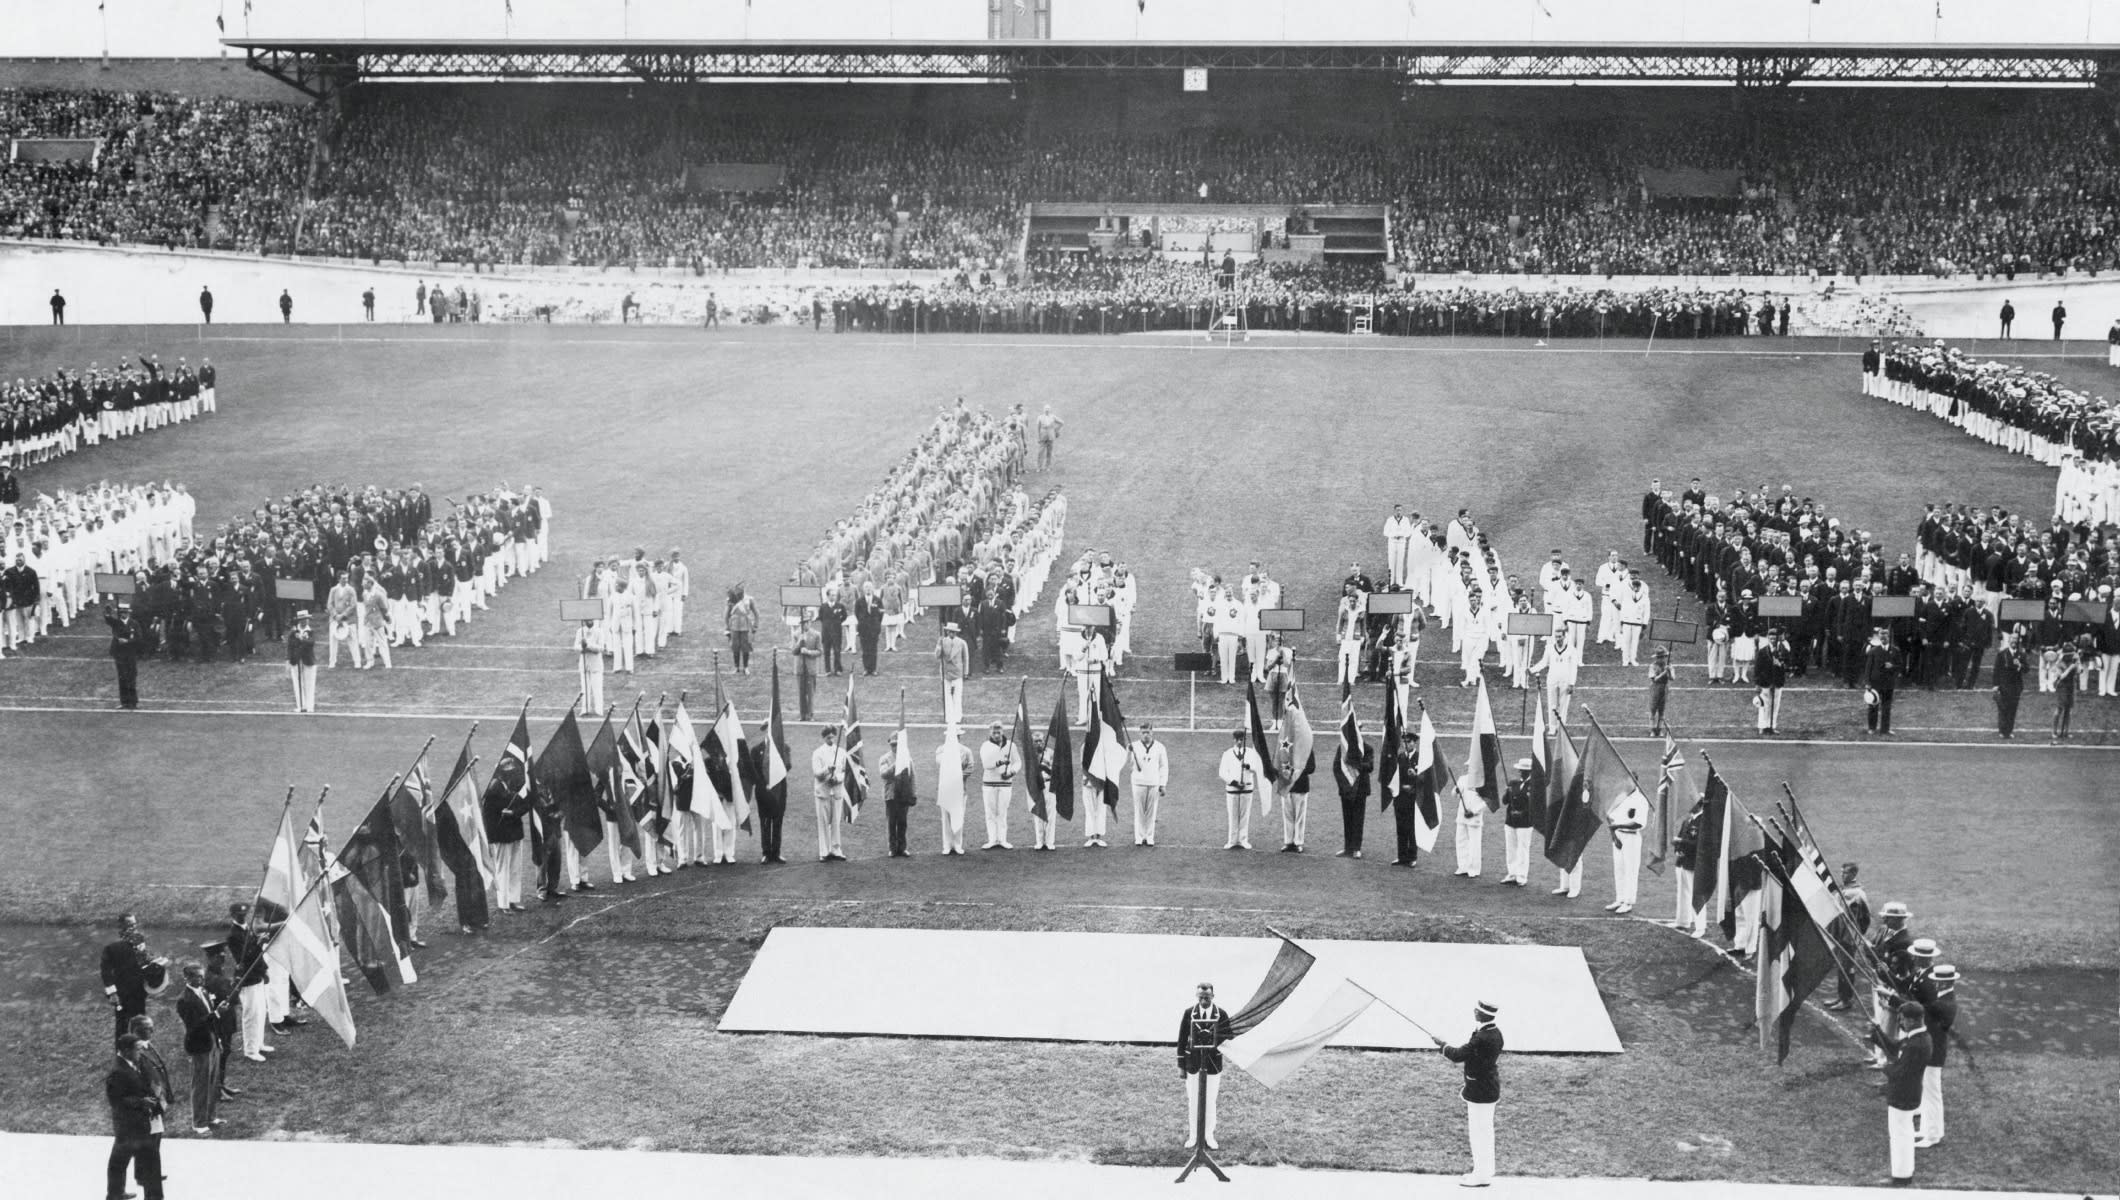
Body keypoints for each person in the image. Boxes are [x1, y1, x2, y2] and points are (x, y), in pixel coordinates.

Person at [1439, 1000, 1505, 1188]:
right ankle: (1484, 1171)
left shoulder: (1482, 1037)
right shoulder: (1494, 1033)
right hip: (1489, 1088)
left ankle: (1481, 1177)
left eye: (1477, 1010)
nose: (1474, 1011)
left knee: (1479, 1134)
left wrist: (1442, 1045)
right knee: (1486, 1132)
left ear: (1483, 1014)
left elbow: (1458, 1055)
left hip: (1480, 1091)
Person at [1872, 999, 1932, 1186]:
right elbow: (1896, 1048)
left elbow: (1901, 1072)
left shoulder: (1916, 1044)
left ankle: (1902, 1176)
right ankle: (1903, 1173)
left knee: (1900, 1136)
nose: (1900, 1023)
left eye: (1902, 1019)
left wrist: (1885, 1067)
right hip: (1908, 1093)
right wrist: (1878, 1033)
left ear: (1912, 1020)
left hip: (1903, 1094)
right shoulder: (1917, 1037)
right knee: (1902, 1134)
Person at [106, 1034, 166, 1200]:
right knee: (123, 1161)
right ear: (126, 1051)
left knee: (135, 1160)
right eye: (137, 1049)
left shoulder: (132, 1064)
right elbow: (116, 1100)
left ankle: (117, 1193)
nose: (141, 1051)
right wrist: (141, 1102)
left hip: (139, 1123)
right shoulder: (118, 1071)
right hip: (128, 1125)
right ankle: (116, 1194)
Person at [1176, 982, 1232, 1150]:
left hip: (1212, 1064)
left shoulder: (1221, 1014)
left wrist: (1215, 1039)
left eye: (1207, 998)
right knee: (1193, 1100)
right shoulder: (1189, 1013)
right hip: (1192, 1063)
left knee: (1210, 1101)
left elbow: (1229, 1036)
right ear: (1197, 997)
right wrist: (1181, 1065)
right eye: (1200, 997)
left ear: (1212, 997)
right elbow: (1181, 1039)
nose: (1203, 1001)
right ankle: (1194, 1136)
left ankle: (1209, 1135)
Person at [1913, 960, 1959, 1148]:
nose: (1935, 984)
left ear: (1944, 983)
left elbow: (1923, 1009)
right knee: (1927, 1093)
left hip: (1934, 1054)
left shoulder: (1943, 1004)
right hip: (1933, 1051)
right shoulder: (1943, 1000)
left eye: (1937, 982)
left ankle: (1932, 1135)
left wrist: (1892, 998)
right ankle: (1927, 1130)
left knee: (1932, 1095)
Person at [175, 963, 224, 1134]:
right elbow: (194, 1025)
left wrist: (218, 1039)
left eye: (202, 976)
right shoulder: (184, 1000)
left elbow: (209, 1019)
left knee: (213, 1080)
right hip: (199, 1044)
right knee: (201, 1084)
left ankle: (211, 1116)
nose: (201, 979)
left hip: (211, 1041)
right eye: (197, 976)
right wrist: (215, 1014)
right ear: (187, 978)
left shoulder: (203, 992)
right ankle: (199, 1122)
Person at [99, 914, 155, 1049]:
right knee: (123, 1025)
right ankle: (122, 1053)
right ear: (121, 926)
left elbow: (144, 961)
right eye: (129, 924)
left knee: (140, 1020)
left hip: (138, 991)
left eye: (134, 924)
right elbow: (106, 972)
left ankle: (140, 1049)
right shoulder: (112, 947)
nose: (133, 927)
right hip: (122, 994)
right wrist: (112, 994)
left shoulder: (139, 941)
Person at [1333, 714, 1371, 858]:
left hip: (1360, 790)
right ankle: (1347, 847)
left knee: (1358, 819)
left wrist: (1356, 763)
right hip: (1346, 790)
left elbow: (1370, 766)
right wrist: (1343, 786)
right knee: (1347, 818)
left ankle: (1356, 847)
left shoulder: (1367, 749)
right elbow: (1336, 768)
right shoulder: (1342, 749)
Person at [1605, 786, 1647, 914]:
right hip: (1619, 835)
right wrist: (1614, 837)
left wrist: (1617, 826)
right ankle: (1620, 898)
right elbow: (1610, 817)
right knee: (1619, 868)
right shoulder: (1620, 797)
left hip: (1631, 838)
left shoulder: (1640, 799)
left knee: (1630, 869)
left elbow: (1638, 823)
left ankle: (1628, 902)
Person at [977, 721, 1016, 851]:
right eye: (994, 732)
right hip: (989, 784)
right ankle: (992, 839)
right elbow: (986, 764)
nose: (996, 734)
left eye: (998, 732)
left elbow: (1018, 762)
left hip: (1005, 784)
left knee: (1002, 811)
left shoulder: (1011, 745)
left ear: (1002, 732)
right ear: (990, 732)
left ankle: (1002, 839)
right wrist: (1000, 762)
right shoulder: (985, 746)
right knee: (990, 812)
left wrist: (1011, 772)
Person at [1216, 729, 1257, 851]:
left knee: (1245, 815)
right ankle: (1232, 840)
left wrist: (1248, 766)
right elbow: (1222, 772)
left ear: (1244, 740)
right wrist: (1234, 782)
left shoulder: (1250, 753)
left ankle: (1243, 839)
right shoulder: (1227, 754)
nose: (1240, 742)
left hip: (1247, 788)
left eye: (1242, 740)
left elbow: (1257, 769)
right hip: (1233, 789)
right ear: (1234, 740)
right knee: (1233, 815)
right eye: (1237, 740)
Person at [1128, 723, 1168, 846]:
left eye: (1148, 732)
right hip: (1138, 783)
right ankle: (1139, 837)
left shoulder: (1160, 747)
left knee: (1151, 811)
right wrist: (1129, 751)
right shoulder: (1133, 746)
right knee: (1139, 811)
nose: (1146, 735)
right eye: (1143, 732)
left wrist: (1163, 784)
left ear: (1152, 732)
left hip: (1153, 783)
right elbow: (1129, 764)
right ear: (1140, 733)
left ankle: (1149, 836)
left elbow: (1163, 766)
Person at [811, 727, 846, 862]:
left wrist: (837, 778)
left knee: (836, 821)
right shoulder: (817, 753)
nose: (830, 740)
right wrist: (827, 770)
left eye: (832, 737)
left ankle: (836, 849)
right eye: (828, 737)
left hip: (836, 791)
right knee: (823, 822)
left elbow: (845, 771)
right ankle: (824, 851)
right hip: (823, 792)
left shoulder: (841, 752)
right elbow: (817, 774)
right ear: (824, 738)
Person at [103, 601, 143, 711]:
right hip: (120, 654)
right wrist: (107, 612)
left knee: (131, 677)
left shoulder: (134, 623)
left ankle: (133, 702)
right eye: (121, 612)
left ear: (128, 613)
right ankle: (124, 702)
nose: (123, 614)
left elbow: (139, 638)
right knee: (122, 678)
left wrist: (128, 641)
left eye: (125, 612)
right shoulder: (116, 623)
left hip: (130, 654)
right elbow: (108, 619)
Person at [1500, 759, 1534, 886]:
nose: (1521, 772)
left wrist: (1522, 813)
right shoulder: (1513, 783)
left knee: (1522, 849)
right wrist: (1507, 792)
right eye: (1520, 770)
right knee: (1511, 848)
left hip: (1525, 823)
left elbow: (1534, 805)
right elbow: (1505, 801)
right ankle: (1512, 873)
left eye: (1524, 771)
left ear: (1529, 771)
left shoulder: (1534, 785)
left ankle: (1521, 876)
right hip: (1510, 821)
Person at [1864, 627, 1899, 736]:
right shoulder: (1873, 651)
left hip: (1889, 683)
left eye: (1886, 636)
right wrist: (1867, 683)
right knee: (1873, 705)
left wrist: (1893, 666)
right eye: (1881, 636)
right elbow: (1868, 668)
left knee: (1886, 707)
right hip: (1875, 683)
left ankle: (1885, 729)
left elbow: (1900, 666)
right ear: (1879, 638)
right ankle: (1872, 728)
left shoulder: (1895, 650)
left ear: (1889, 637)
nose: (1883, 638)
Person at [1753, 627, 1788, 735]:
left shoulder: (1783, 650)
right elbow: (1757, 669)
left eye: (1774, 637)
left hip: (1777, 681)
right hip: (1765, 682)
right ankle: (1762, 726)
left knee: (1775, 705)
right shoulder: (1763, 651)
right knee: (1763, 705)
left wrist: (1780, 664)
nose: (1772, 639)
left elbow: (1788, 663)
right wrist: (1757, 684)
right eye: (1770, 637)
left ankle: (1772, 726)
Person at [1992, 631, 2026, 738]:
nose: (2014, 641)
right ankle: (2002, 730)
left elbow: (2027, 668)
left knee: (2013, 709)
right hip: (2004, 685)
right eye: (2012, 639)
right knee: (2003, 708)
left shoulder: (2021, 654)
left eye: (2016, 639)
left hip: (2016, 686)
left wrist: (2020, 665)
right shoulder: (2002, 654)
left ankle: (2009, 730)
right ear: (2009, 640)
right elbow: (1996, 670)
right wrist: (1995, 684)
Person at [936, 621, 969, 725]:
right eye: (950, 632)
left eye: (953, 632)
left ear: (956, 633)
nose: (951, 634)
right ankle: (949, 717)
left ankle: (957, 717)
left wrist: (966, 672)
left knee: (957, 696)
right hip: (947, 672)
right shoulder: (943, 641)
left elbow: (966, 658)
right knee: (947, 696)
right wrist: (938, 646)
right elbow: (937, 656)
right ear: (947, 632)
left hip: (957, 672)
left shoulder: (962, 642)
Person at [285, 610, 317, 714]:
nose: (305, 621)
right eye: (303, 619)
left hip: (308, 660)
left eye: (306, 619)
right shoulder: (293, 632)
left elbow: (311, 643)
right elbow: (289, 647)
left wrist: (302, 639)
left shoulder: (310, 631)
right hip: (296, 660)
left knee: (309, 683)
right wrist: (288, 660)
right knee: (297, 684)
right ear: (300, 620)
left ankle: (310, 706)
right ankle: (300, 705)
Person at [574, 619, 604, 717]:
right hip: (584, 664)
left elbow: (600, 648)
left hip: (596, 664)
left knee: (597, 688)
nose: (589, 621)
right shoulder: (580, 631)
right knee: (585, 688)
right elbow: (576, 646)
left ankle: (599, 709)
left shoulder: (599, 631)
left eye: (591, 620)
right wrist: (582, 647)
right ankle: (585, 708)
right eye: (588, 620)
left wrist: (588, 646)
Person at [1647, 646, 1672, 736]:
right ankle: (1652, 730)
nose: (1662, 659)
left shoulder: (1668, 666)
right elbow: (1655, 679)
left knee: (1662, 710)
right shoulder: (1653, 666)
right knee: (1653, 709)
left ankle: (1660, 729)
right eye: (1660, 657)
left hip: (1665, 688)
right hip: (1655, 688)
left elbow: (1672, 678)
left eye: (1664, 657)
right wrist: (1664, 673)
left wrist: (1669, 672)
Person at [1035, 404, 1063, 470]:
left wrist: (1055, 430)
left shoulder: (1053, 416)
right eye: (1046, 409)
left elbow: (1061, 422)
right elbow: (1038, 428)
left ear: (1050, 410)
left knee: (1049, 452)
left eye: (1048, 409)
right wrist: (1038, 437)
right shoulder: (1040, 417)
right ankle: (1039, 467)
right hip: (1042, 436)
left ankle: (1047, 466)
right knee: (1040, 452)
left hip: (1051, 437)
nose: (1047, 410)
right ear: (1043, 410)